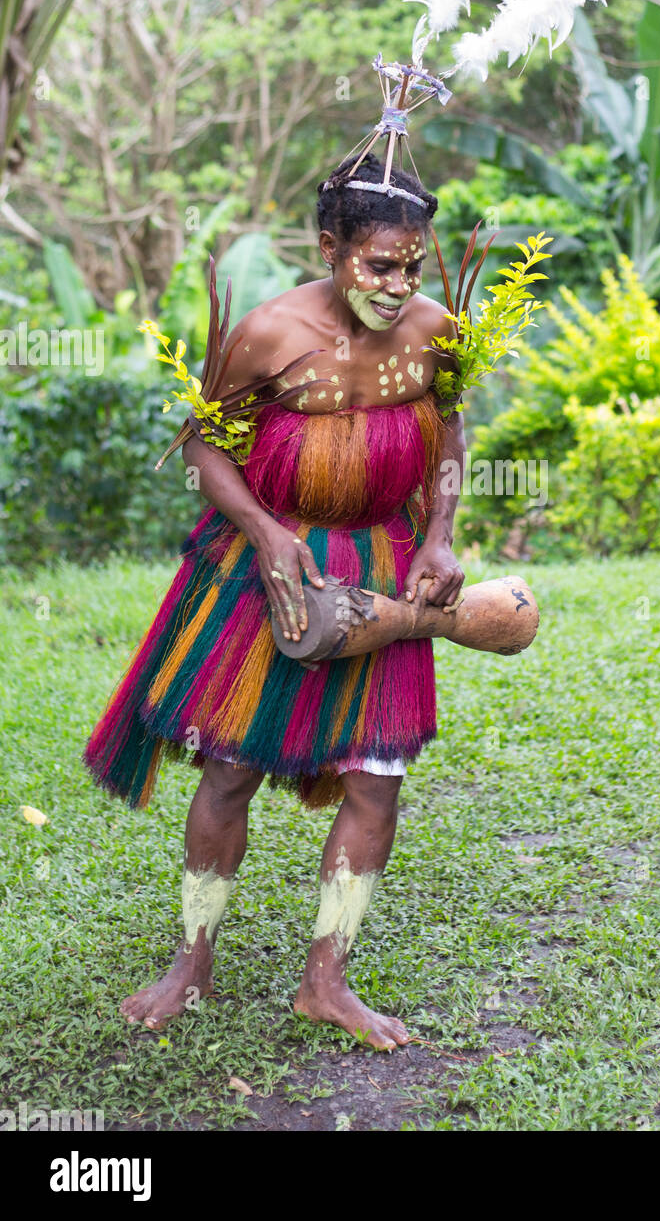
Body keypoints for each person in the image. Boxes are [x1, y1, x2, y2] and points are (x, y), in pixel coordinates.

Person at [83, 154, 467, 1051]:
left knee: (377, 784)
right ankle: (192, 960)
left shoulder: (437, 332)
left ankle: (325, 981)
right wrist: (263, 531)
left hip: (381, 566)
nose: (397, 284)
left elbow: (450, 432)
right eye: (379, 264)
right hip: (274, 569)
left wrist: (441, 533)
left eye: (412, 264)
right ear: (329, 248)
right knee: (231, 768)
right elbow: (205, 450)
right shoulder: (267, 332)